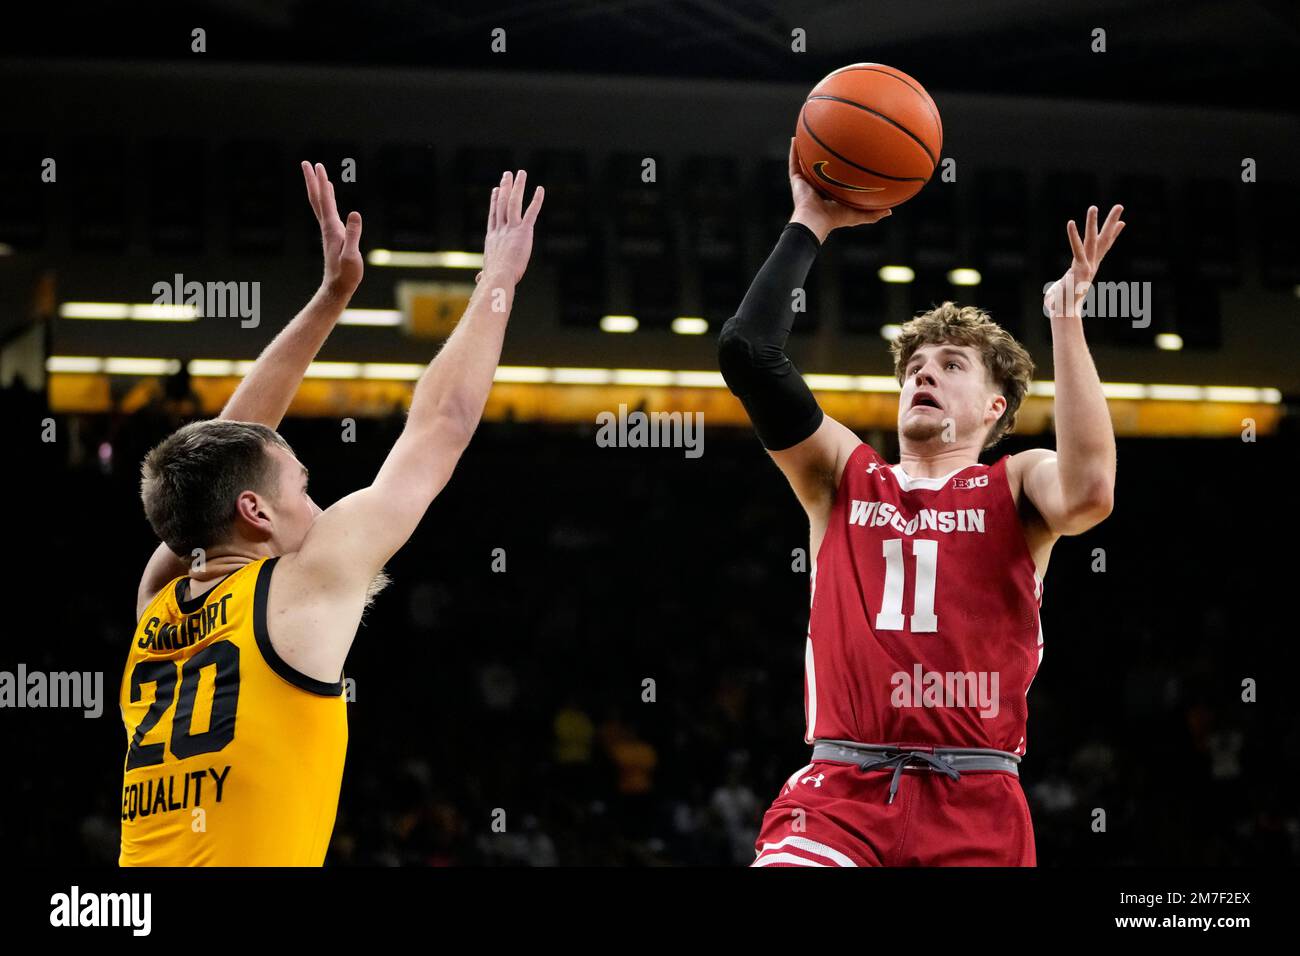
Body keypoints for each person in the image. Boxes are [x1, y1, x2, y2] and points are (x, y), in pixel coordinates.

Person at [119, 162, 544, 865]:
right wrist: (496, 281)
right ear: (253, 512)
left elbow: (214, 462)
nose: (316, 508)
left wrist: (331, 296)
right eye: (302, 487)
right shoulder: (305, 581)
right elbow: (445, 421)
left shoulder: (159, 600)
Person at [718, 138, 1123, 866]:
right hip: (840, 792)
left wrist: (1066, 321)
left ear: (996, 407)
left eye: (950, 365)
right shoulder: (842, 472)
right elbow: (749, 352)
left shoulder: (1017, 480)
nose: (922, 375)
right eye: (913, 367)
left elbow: (1092, 492)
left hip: (977, 803)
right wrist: (809, 218)